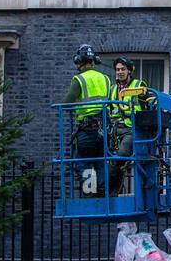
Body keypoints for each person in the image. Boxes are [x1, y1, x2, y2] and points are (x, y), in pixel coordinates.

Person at [60, 45, 112, 196]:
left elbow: (65, 104)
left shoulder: (80, 79)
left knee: (82, 162)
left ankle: (91, 192)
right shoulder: (106, 79)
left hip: (87, 130)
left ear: (79, 62)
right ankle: (103, 192)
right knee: (101, 161)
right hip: (105, 128)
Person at [110, 57, 146, 193]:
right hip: (114, 130)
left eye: (123, 69)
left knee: (120, 156)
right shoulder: (113, 89)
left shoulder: (138, 84)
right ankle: (112, 193)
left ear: (129, 71)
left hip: (132, 130)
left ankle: (110, 191)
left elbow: (147, 105)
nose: (120, 72)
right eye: (117, 69)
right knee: (108, 160)